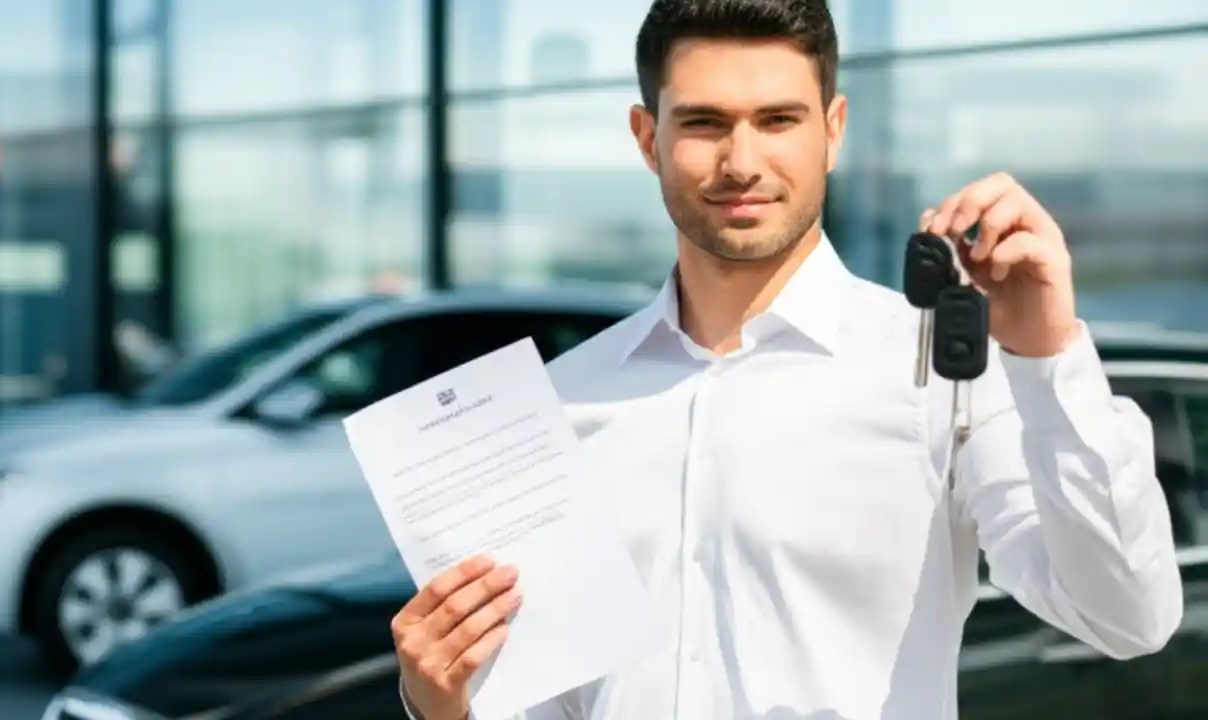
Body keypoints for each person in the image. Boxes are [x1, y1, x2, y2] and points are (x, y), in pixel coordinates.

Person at [390, 1, 1184, 718]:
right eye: (703, 123)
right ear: (646, 138)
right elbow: (549, 704)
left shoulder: (946, 374)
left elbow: (1126, 616)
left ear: (833, 129)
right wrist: (441, 707)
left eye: (778, 120)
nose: (741, 162)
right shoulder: (560, 401)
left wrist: (1045, 354)